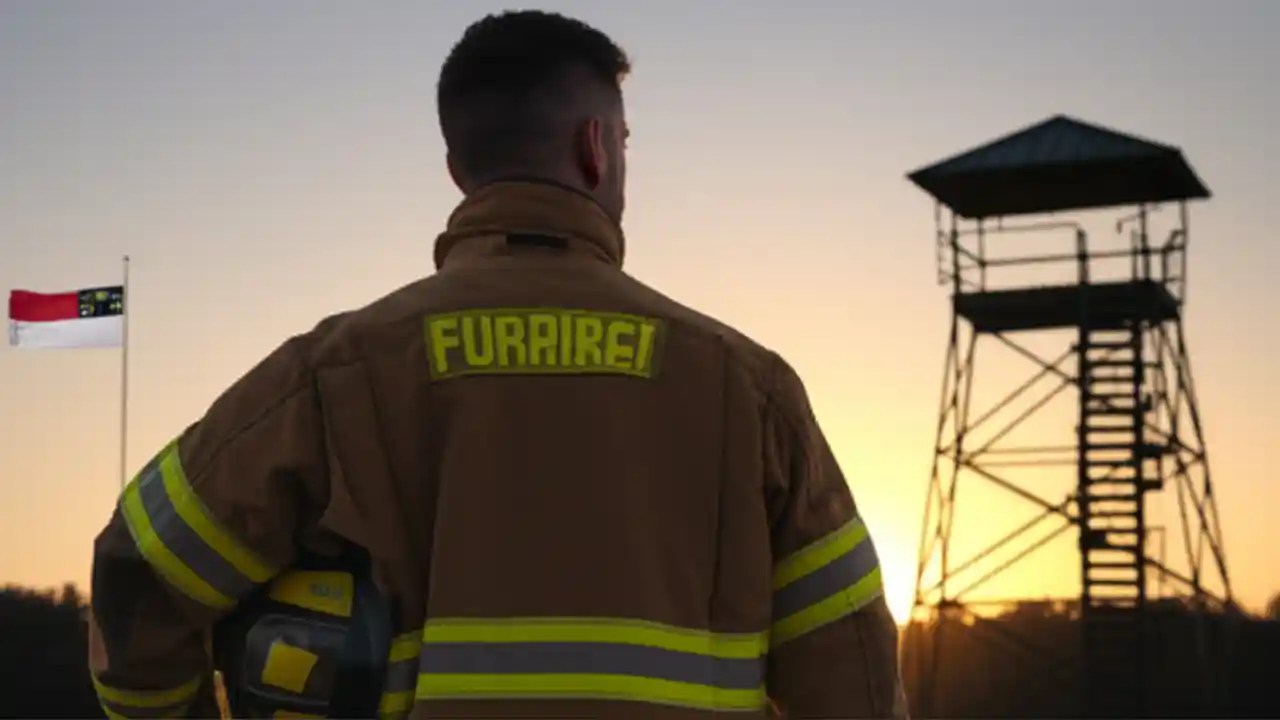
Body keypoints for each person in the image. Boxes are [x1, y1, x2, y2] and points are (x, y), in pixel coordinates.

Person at [86, 9, 907, 719]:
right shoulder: (747, 389)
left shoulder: (334, 377)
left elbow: (141, 569)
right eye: (624, 141)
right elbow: (853, 672)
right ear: (595, 148)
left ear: (459, 171)